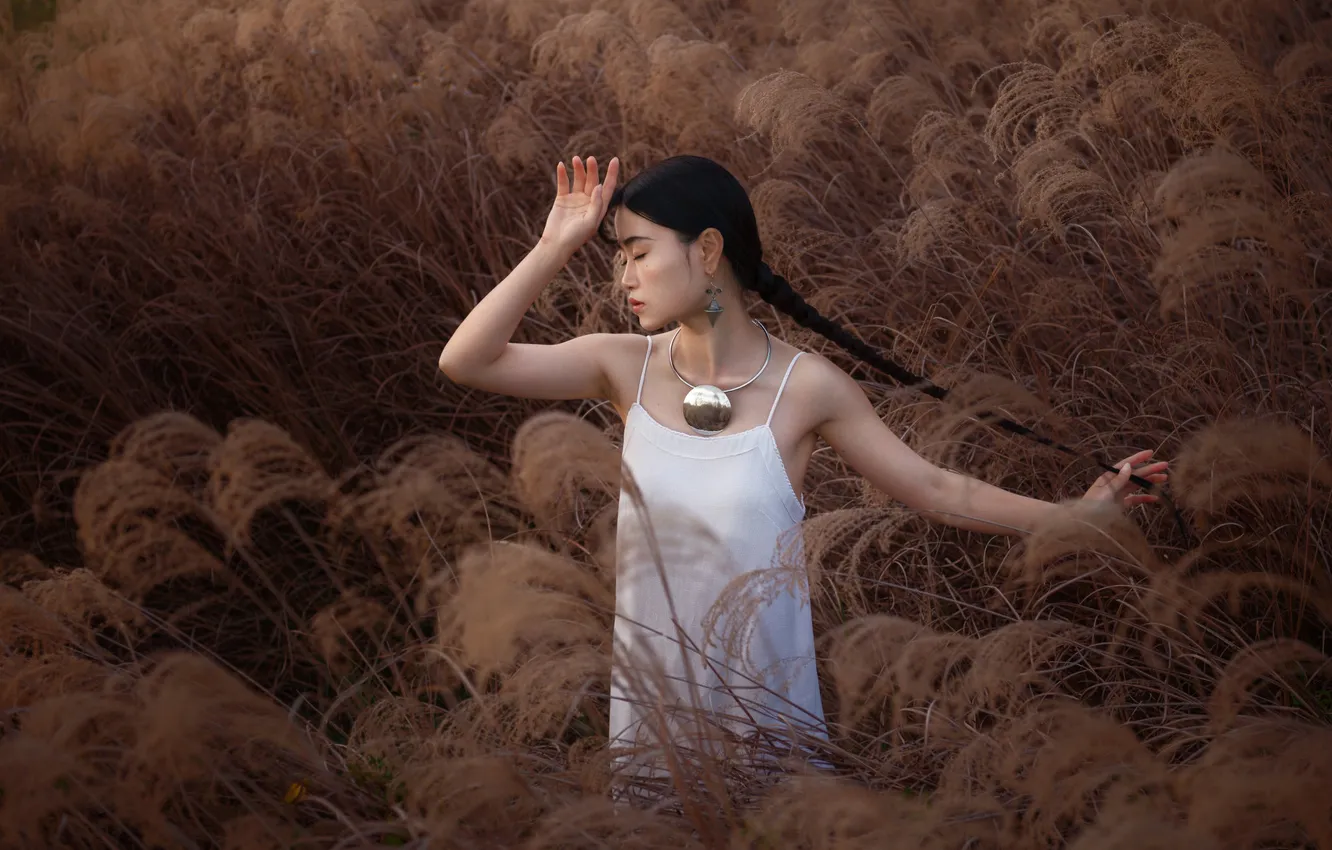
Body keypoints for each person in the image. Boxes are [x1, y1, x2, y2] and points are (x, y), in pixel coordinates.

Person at [437, 153, 1169, 795]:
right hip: (654, 727)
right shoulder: (622, 365)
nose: (624, 276)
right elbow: (465, 361)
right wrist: (551, 245)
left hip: (766, 726)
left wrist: (1078, 517)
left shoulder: (806, 387)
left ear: (709, 249)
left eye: (638, 252)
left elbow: (940, 492)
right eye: (618, 257)